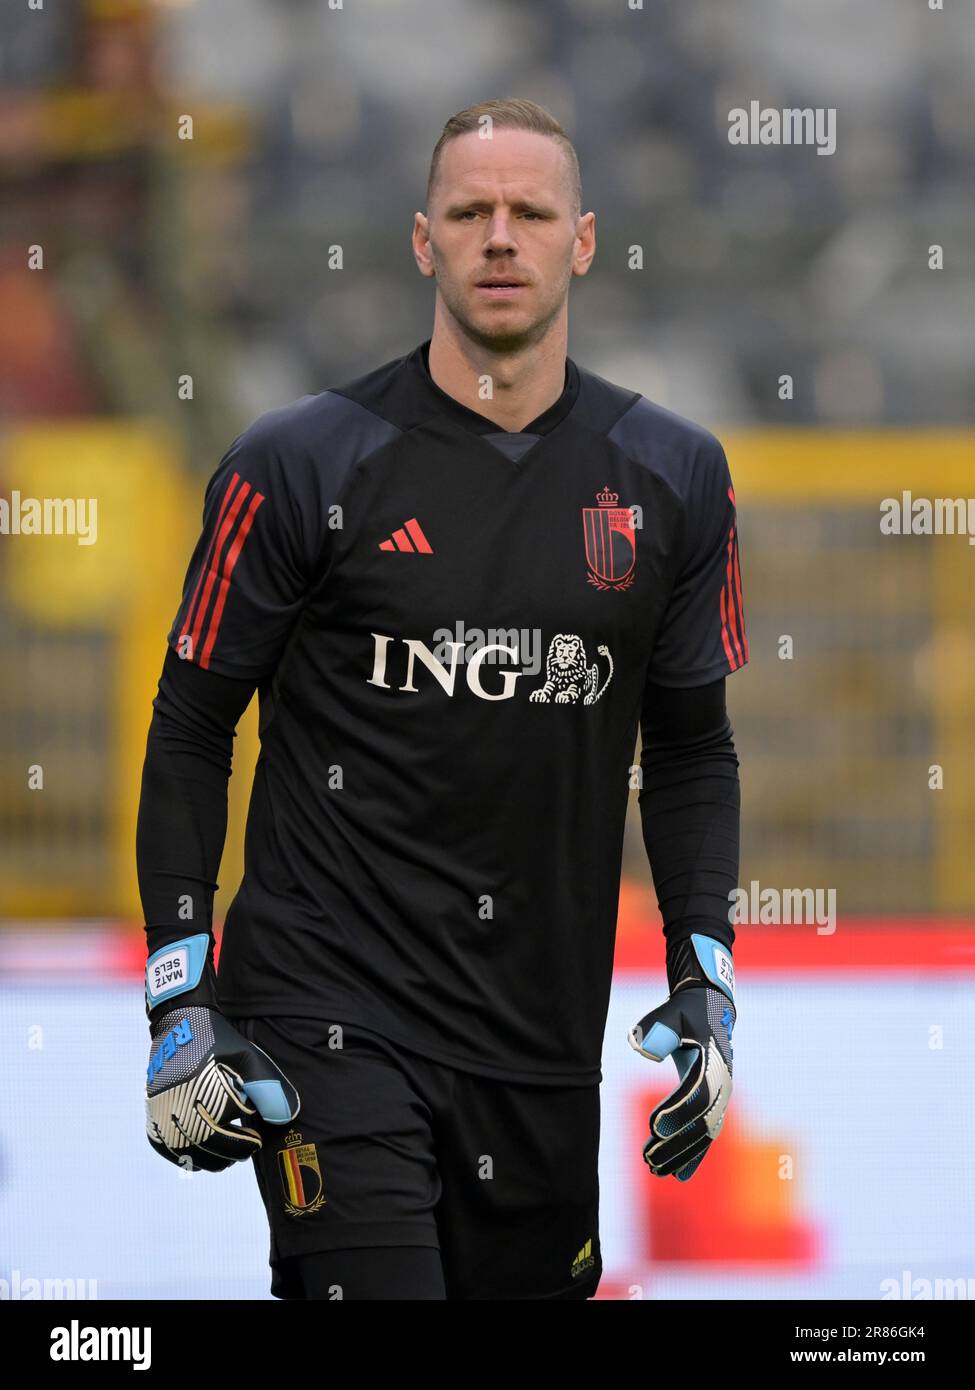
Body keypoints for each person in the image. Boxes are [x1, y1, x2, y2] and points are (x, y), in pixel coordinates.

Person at [137, 97, 746, 1302]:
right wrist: (176, 996)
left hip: (541, 1036)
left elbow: (691, 752)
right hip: (328, 1009)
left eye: (531, 212)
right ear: (425, 242)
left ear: (582, 240)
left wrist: (707, 978)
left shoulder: (674, 478)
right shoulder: (298, 465)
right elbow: (193, 724)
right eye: (471, 212)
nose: (500, 237)